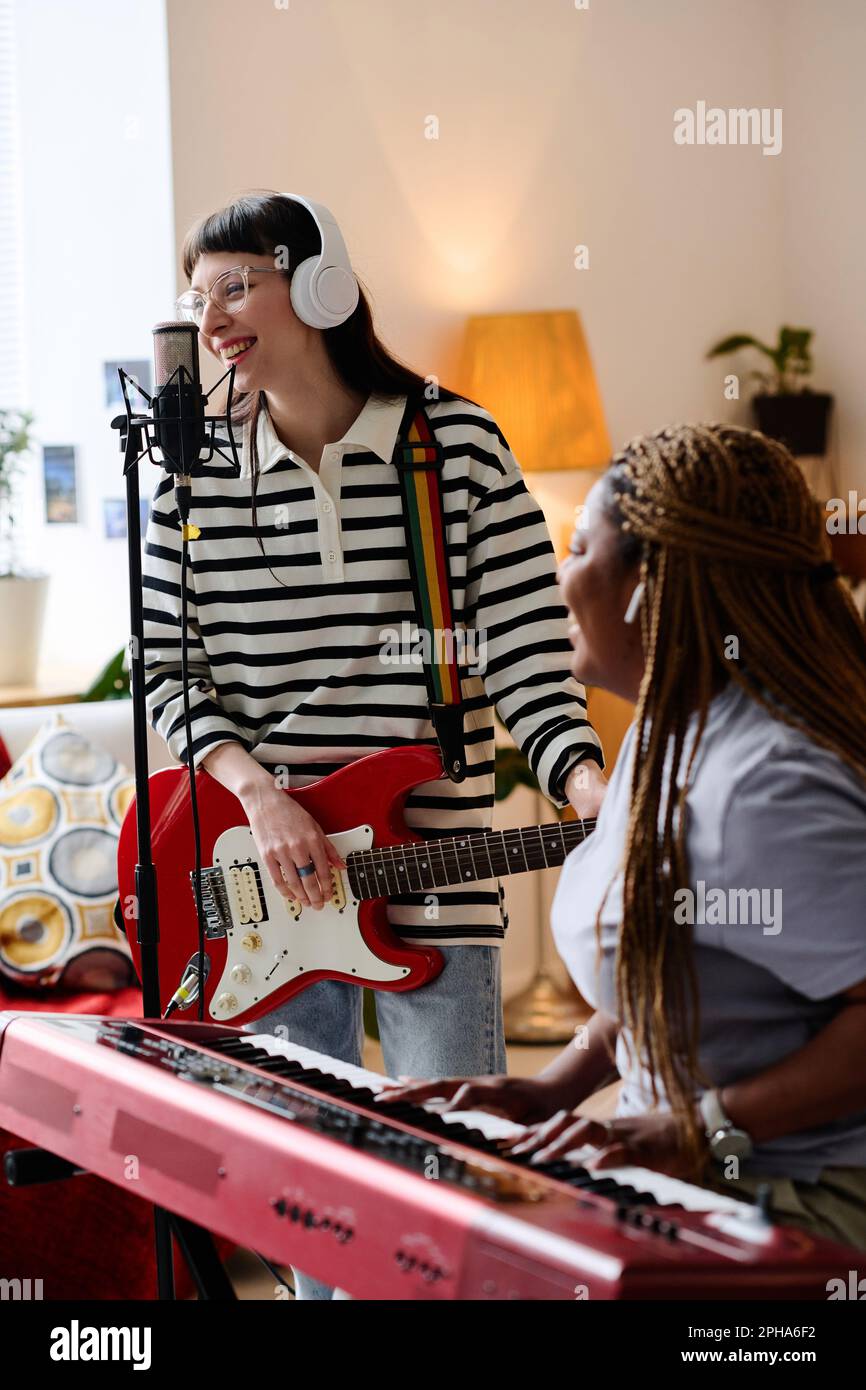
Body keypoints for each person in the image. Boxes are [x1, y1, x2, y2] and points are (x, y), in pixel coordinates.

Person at [141, 191, 606, 1297]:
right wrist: (258, 792)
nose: (211, 320)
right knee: (314, 1214)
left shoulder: (455, 449)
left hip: (434, 877)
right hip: (260, 888)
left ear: (318, 287)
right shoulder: (192, 477)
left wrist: (596, 789)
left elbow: (532, 671)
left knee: (445, 1194)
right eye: (197, 297)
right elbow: (168, 672)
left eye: (236, 285)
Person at [380, 423, 866, 1253]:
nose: (558, 580)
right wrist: (552, 1088)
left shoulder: (765, 785)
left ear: (650, 584)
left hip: (803, 1208)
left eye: (575, 550)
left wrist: (700, 1126)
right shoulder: (662, 733)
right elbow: (669, 975)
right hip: (702, 1181)